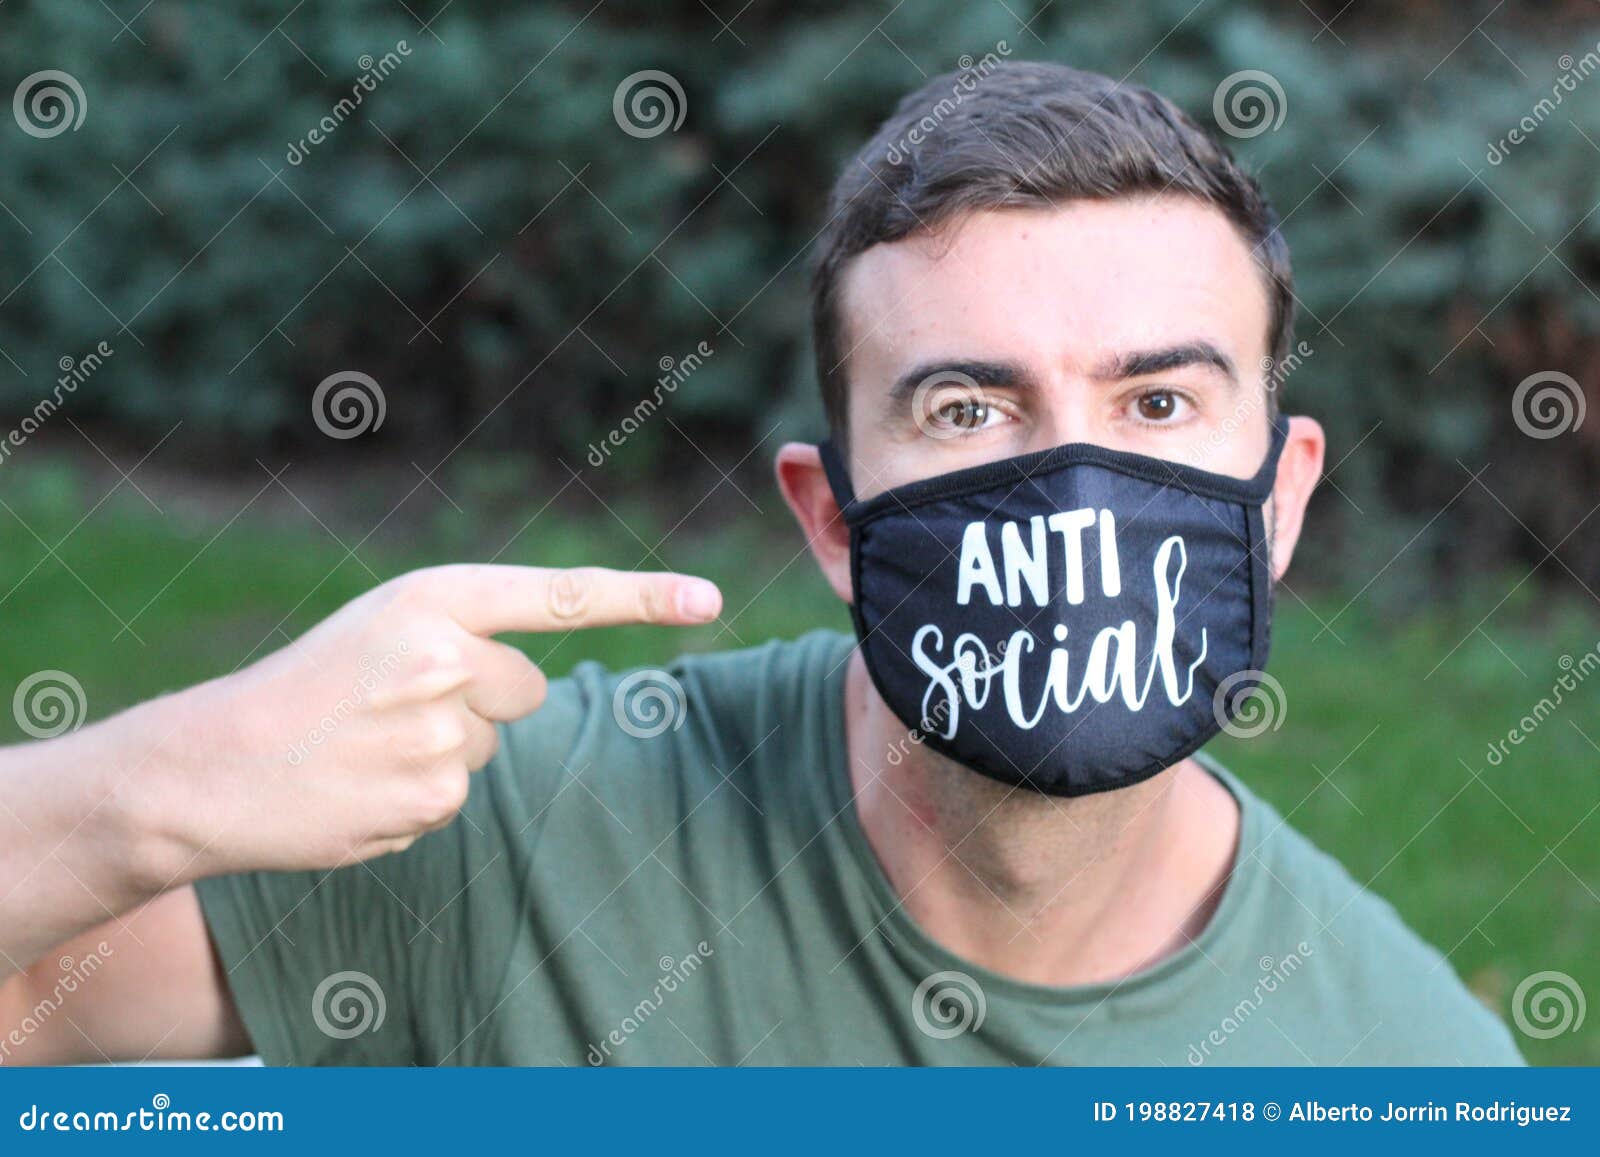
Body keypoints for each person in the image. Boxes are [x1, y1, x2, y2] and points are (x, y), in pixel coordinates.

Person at [0, 61, 1520, 1066]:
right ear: (833, 514)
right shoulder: (527, 833)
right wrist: (166, 779)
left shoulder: (1395, 1065)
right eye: (968, 406)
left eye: (1160, 401)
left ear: (1278, 495)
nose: (1070, 487)